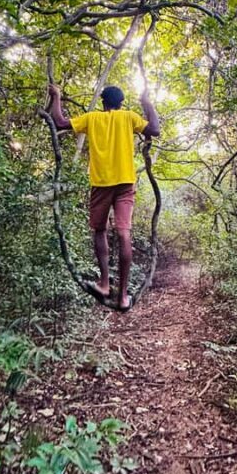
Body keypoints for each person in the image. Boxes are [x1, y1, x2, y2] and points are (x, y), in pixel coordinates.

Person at [47, 84, 160, 310]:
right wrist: (147, 103)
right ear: (121, 103)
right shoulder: (129, 117)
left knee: (100, 230)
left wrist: (56, 96)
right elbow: (155, 130)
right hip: (125, 182)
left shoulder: (92, 118)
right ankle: (123, 297)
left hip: (101, 184)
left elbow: (59, 122)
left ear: (102, 101)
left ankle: (105, 284)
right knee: (124, 233)